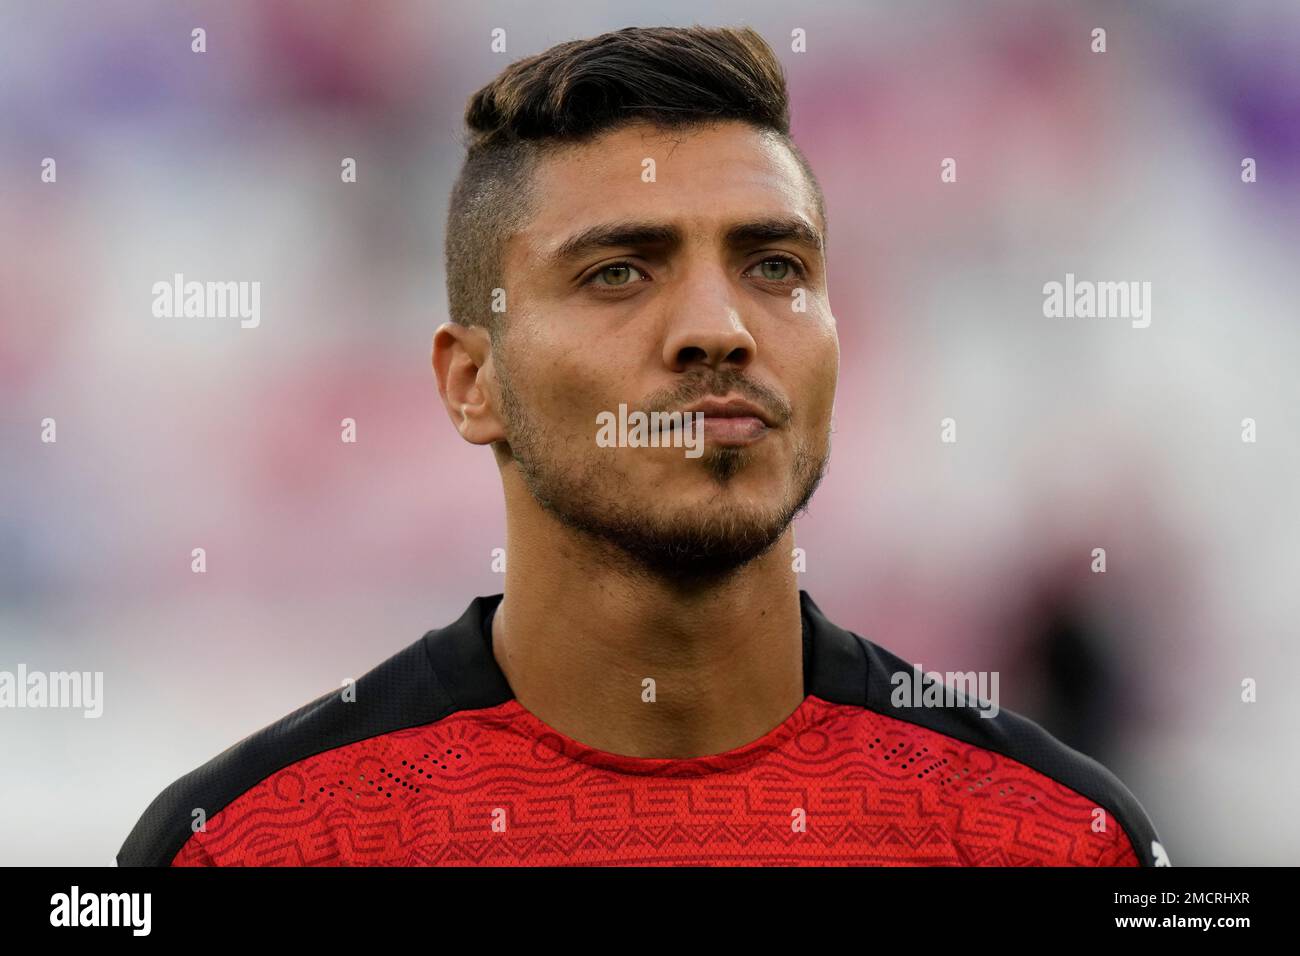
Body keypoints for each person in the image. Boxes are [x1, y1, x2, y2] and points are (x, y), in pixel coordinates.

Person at [118, 24, 1167, 866]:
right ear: (471, 380)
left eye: (773, 266)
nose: (720, 327)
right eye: (619, 270)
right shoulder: (257, 843)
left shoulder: (1057, 838)